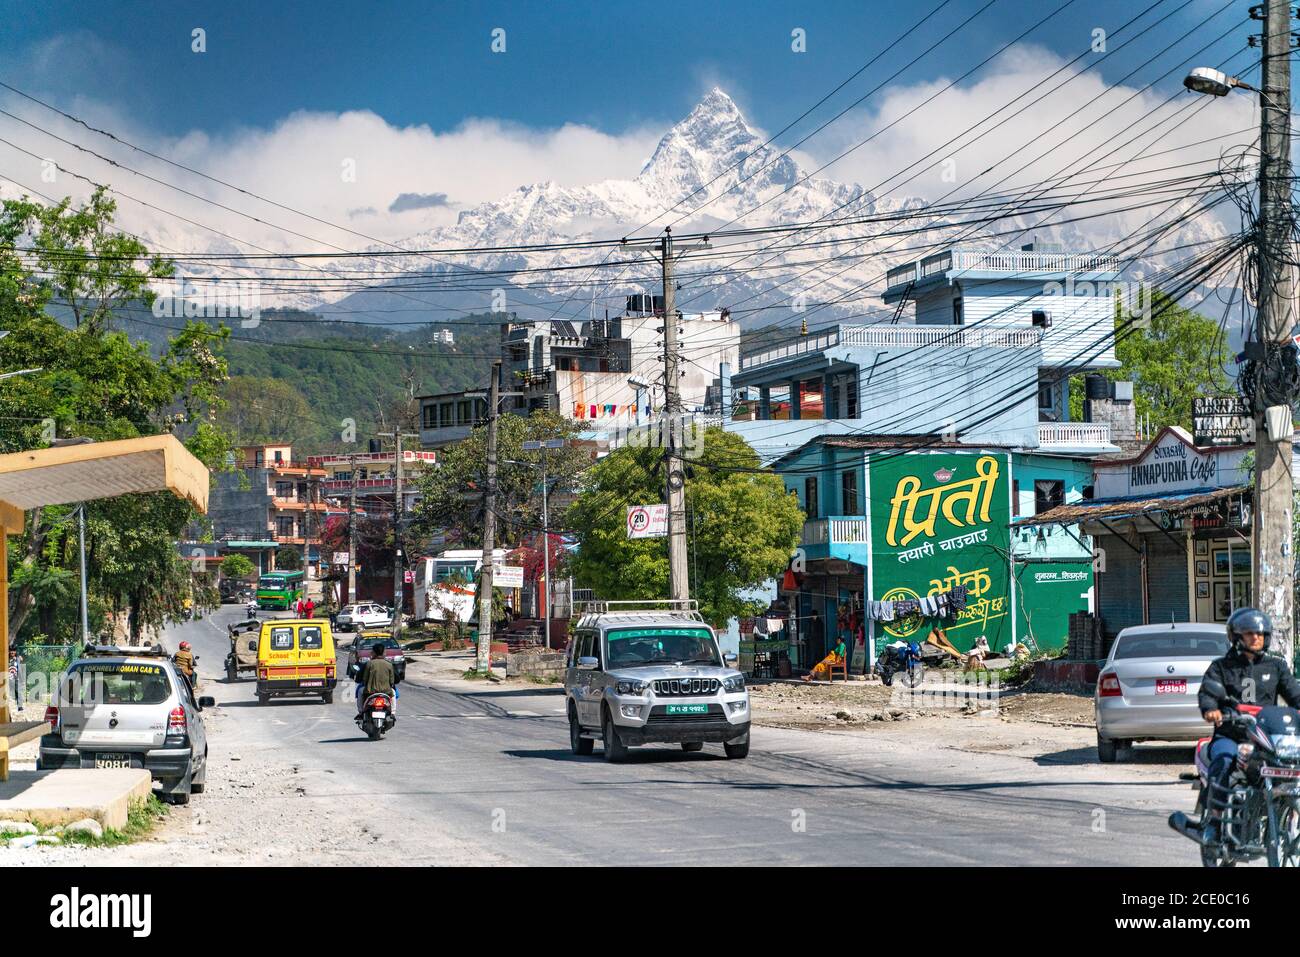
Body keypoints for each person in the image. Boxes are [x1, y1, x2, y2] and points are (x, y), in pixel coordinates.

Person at [1198, 607, 1300, 843]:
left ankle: (1281, 816)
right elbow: (1208, 694)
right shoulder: (1221, 667)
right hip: (1230, 736)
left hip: (1265, 739)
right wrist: (1211, 710)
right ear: (1236, 637)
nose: (1256, 638)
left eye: (1261, 634)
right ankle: (1214, 822)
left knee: (1291, 766)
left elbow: (1295, 696)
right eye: (1250, 633)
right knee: (1224, 761)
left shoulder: (1276, 666)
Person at [354, 640, 398, 716]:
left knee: (360, 692)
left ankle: (360, 712)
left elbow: (363, 679)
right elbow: (392, 681)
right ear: (384, 653)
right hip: (386, 691)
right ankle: (393, 713)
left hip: (370, 691)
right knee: (393, 692)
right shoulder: (389, 665)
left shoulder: (368, 664)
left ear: (373, 653)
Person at [7, 648, 23, 712]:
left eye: (13, 651)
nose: (12, 652)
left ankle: (20, 706)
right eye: (11, 651)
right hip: (8, 677)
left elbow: (21, 659)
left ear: (15, 652)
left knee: (18, 692)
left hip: (16, 677)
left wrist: (17, 658)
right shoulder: (6, 658)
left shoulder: (17, 658)